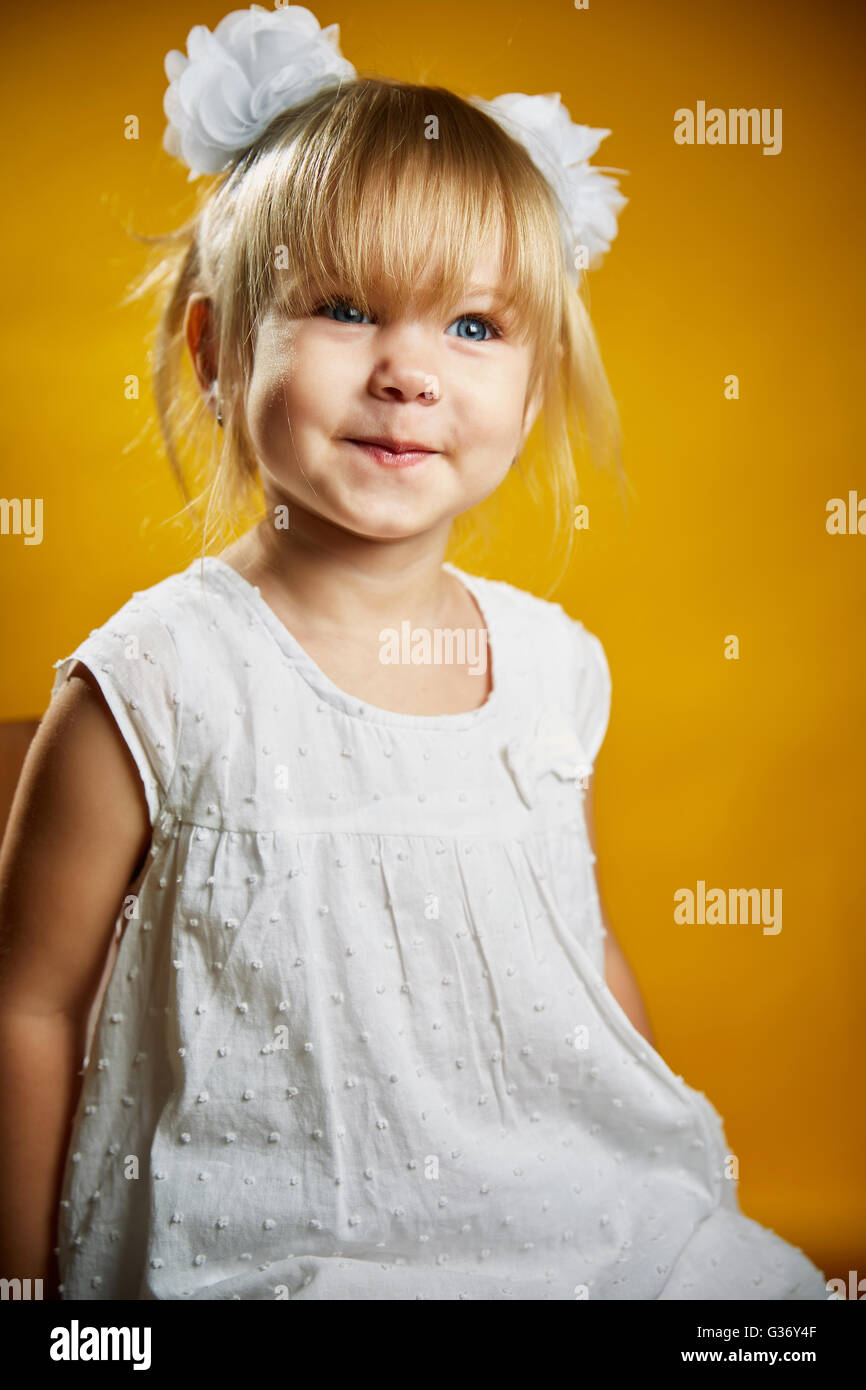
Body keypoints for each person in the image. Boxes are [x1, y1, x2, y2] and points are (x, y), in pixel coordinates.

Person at [0, 4, 826, 1300]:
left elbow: (577, 949)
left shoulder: (554, 669)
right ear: (217, 355)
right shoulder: (161, 679)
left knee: (757, 1299)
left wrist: (656, 1179)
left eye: (473, 328)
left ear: (532, 383)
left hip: (562, 1202)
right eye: (343, 307)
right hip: (278, 1235)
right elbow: (30, 1001)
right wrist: (28, 1295)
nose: (408, 372)